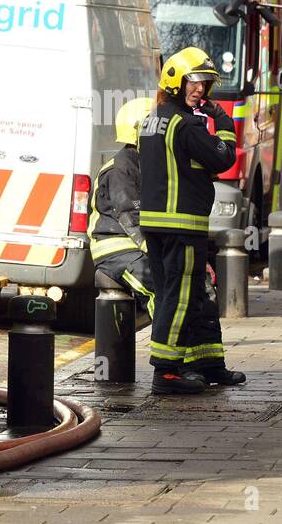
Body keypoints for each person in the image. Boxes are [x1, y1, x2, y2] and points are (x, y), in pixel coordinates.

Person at [139, 47, 242, 394]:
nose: (200, 89)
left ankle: (207, 363)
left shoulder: (152, 119)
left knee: (190, 293)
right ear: (176, 81)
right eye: (194, 82)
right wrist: (224, 124)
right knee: (180, 296)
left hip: (158, 224)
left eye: (205, 83)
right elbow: (223, 158)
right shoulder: (185, 124)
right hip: (183, 225)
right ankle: (166, 373)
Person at [88, 96, 157, 319]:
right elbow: (130, 215)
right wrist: (155, 249)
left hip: (131, 247)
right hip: (115, 248)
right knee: (160, 288)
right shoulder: (121, 168)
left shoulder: (145, 163)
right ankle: (168, 345)